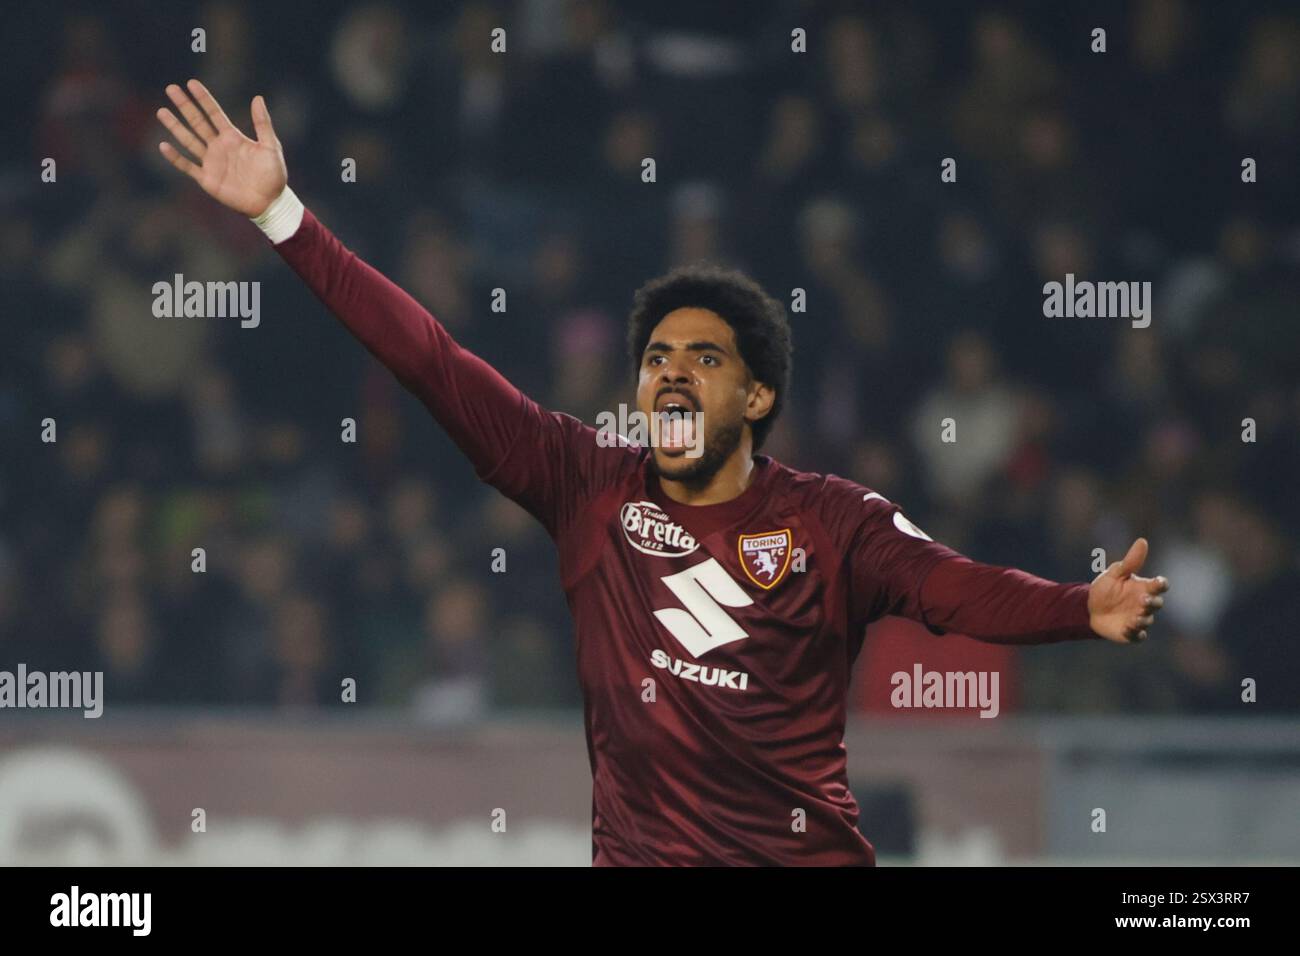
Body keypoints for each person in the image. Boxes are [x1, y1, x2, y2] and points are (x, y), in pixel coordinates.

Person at [156, 79, 1171, 866]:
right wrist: (286, 217)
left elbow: (955, 590)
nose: (670, 374)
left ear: (758, 398)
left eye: (704, 358)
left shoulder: (832, 522)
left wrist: (1077, 605)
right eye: (655, 359)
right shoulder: (581, 481)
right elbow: (431, 358)